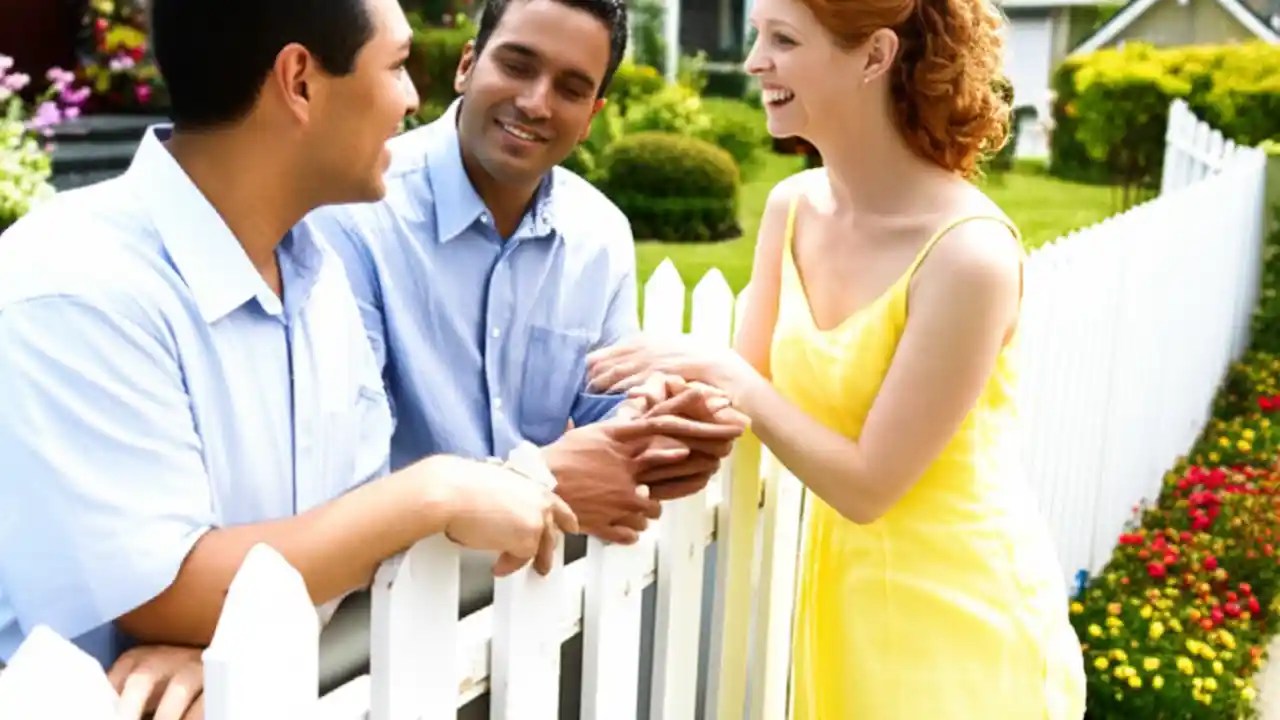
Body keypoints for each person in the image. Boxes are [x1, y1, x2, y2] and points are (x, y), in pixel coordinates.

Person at [0, 0, 608, 716]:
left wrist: (216, 632)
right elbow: (162, 591)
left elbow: (336, 545)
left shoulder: (314, 277)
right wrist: (434, 492)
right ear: (301, 81)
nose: (414, 99)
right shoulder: (73, 285)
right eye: (397, 65)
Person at [586, 0, 1089, 716]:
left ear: (876, 57)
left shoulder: (968, 255)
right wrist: (655, 410)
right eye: (758, 35)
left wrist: (727, 375)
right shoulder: (791, 208)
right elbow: (744, 392)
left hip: (965, 625)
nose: (755, 60)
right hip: (844, 611)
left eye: (783, 39)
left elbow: (868, 486)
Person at [298, 0, 747, 712]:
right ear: (469, 65)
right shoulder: (357, 212)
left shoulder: (599, 236)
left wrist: (664, 423)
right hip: (379, 619)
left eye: (571, 88)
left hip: (539, 610)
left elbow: (610, 414)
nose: (537, 103)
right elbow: (336, 469)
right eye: (518, 64)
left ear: (593, 111)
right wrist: (536, 478)